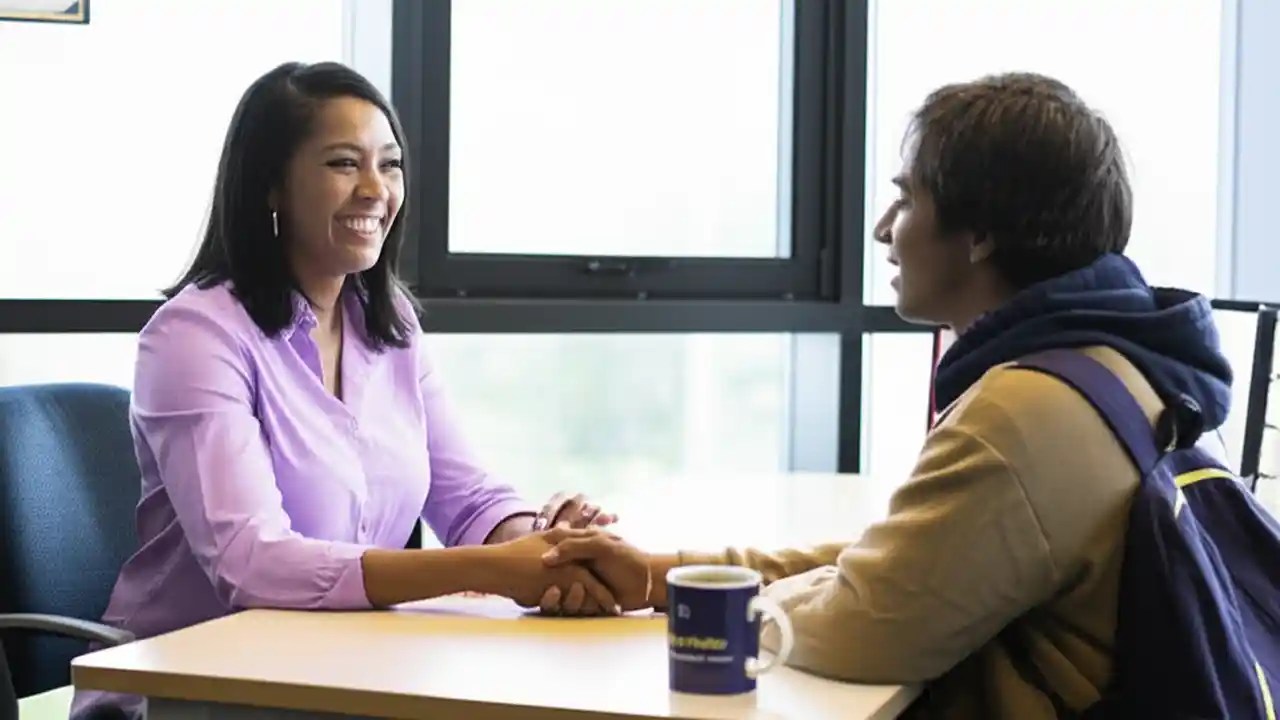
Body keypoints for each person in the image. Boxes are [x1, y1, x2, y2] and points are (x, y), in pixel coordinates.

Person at [538, 72, 1234, 719]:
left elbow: (864, 624)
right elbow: (902, 564)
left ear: (980, 235)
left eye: (906, 200)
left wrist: (710, 607)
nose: (883, 230)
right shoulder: (1118, 369)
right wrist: (665, 577)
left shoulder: (1025, 412)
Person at [71, 61, 618, 720]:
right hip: (194, 694)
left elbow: (468, 500)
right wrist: (494, 569)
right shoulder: (195, 337)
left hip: (348, 677)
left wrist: (550, 545)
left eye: (389, 166)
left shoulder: (389, 325)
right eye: (342, 164)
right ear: (271, 186)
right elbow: (252, 563)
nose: (374, 190)